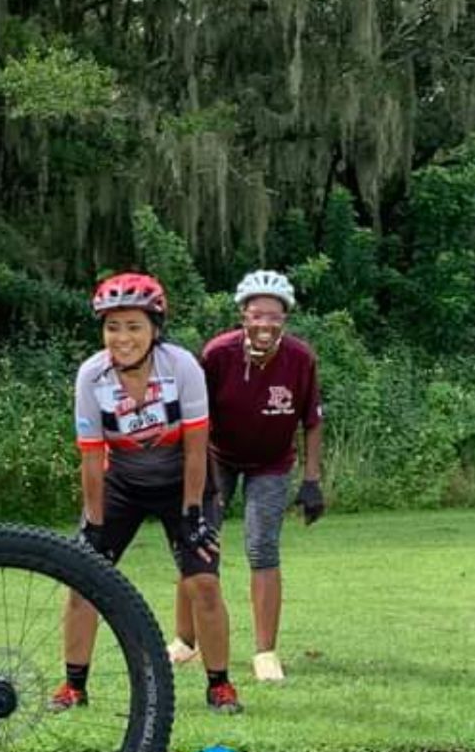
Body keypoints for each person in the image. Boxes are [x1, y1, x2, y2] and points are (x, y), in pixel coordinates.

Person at [58, 273, 241, 715]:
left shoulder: (181, 367)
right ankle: (73, 687)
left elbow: (198, 448)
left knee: (203, 582)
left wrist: (194, 513)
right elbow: (91, 459)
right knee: (83, 580)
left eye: (133, 326)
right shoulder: (91, 375)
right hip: (122, 481)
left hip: (183, 479)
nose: (122, 338)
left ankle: (220, 686)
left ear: (155, 329)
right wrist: (95, 524)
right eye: (112, 327)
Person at [169, 270, 325, 684]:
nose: (266, 325)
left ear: (285, 321)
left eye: (275, 317)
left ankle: (265, 652)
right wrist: (190, 469)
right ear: (243, 315)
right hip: (218, 457)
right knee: (198, 545)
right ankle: (185, 641)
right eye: (258, 315)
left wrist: (312, 481)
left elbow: (312, 421)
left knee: (262, 548)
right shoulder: (218, 354)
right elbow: (195, 417)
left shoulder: (300, 359)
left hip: (271, 463)